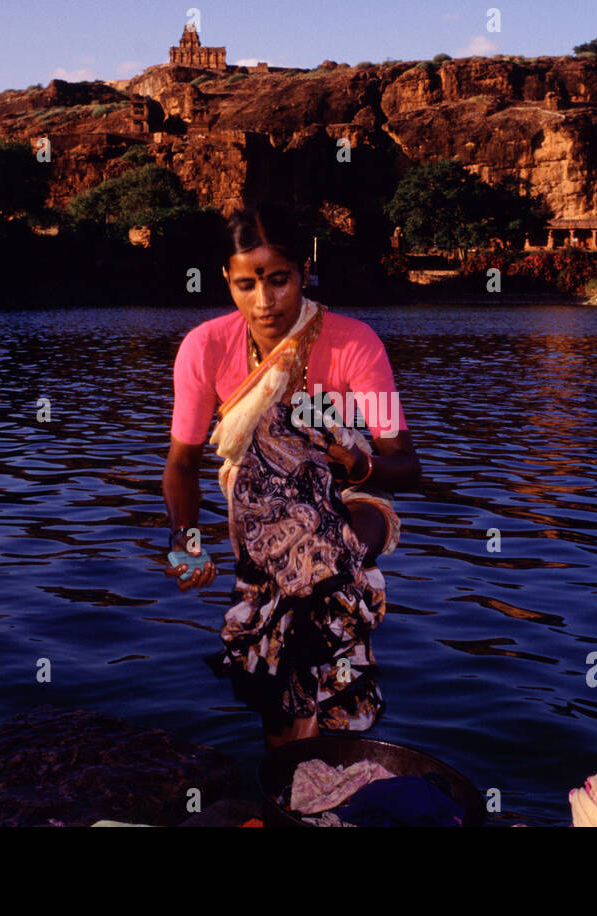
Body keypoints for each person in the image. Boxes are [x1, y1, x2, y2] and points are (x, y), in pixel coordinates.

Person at [162, 202, 421, 750]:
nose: (264, 301)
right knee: (293, 635)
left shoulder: (353, 341)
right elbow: (183, 463)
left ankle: (306, 769)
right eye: (246, 284)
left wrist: (359, 463)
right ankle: (307, 772)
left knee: (323, 564)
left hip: (350, 494)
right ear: (226, 282)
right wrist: (185, 538)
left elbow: (404, 464)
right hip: (260, 504)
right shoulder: (204, 348)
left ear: (304, 272)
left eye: (278, 281)